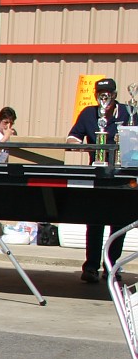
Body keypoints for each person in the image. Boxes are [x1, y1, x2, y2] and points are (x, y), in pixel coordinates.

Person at [66, 77, 134, 283]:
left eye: (108, 94)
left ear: (115, 94)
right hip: (97, 175)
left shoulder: (128, 113)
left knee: (120, 222)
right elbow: (72, 137)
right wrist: (79, 144)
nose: (104, 97)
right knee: (95, 221)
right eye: (100, 94)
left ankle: (112, 265)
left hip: (122, 177)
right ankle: (91, 266)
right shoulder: (88, 113)